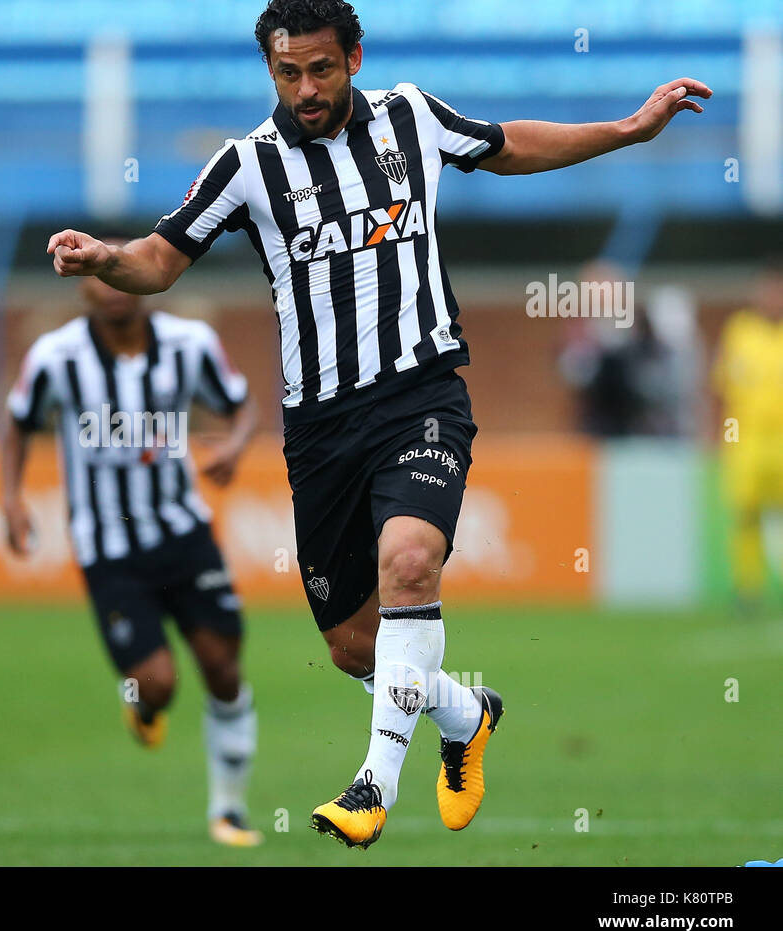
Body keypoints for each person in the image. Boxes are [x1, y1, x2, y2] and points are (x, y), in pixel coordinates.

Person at [46, 0, 711, 849]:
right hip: (321, 428)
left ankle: (372, 786)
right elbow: (163, 259)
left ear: (353, 57)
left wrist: (626, 129)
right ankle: (467, 715)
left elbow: (510, 146)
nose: (306, 88)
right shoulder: (245, 166)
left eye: (321, 69)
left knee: (408, 561)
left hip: (421, 396)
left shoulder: (409, 116)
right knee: (356, 650)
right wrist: (108, 257)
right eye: (288, 73)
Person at [0, 266, 261, 846]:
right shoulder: (56, 356)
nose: (114, 289)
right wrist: (11, 498)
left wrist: (235, 447)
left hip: (183, 531)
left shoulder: (190, 344)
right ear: (83, 290)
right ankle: (141, 704)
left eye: (123, 276)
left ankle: (229, 810)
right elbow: (18, 423)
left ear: (147, 283)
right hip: (107, 545)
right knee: (157, 682)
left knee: (222, 666)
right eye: (100, 279)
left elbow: (242, 406)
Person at [711, 259, 783, 607]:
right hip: (747, 439)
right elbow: (723, 386)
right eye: (767, 290)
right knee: (745, 513)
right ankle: (748, 587)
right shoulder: (739, 329)